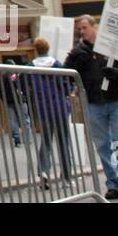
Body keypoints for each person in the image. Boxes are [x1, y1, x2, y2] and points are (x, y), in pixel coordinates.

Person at [65, 14, 118, 199]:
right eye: (79, 29)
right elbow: (66, 73)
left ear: (94, 27)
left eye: (84, 27)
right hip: (94, 102)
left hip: (116, 100)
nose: (82, 31)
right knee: (104, 144)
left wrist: (117, 72)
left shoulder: (112, 47)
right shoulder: (78, 52)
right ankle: (112, 182)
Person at [28, 37, 74, 185]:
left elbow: (24, 84)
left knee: (46, 141)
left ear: (36, 49)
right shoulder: (57, 65)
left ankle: (43, 172)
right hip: (59, 106)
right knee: (63, 142)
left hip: (43, 108)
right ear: (48, 48)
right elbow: (66, 84)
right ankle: (66, 177)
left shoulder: (30, 66)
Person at [0, 61, 30, 146]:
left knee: (13, 121)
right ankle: (27, 139)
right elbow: (25, 87)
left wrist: (4, 100)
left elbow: (0, 91)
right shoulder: (18, 75)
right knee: (25, 120)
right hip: (20, 101)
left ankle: (17, 139)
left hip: (9, 102)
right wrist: (24, 96)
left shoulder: (2, 78)